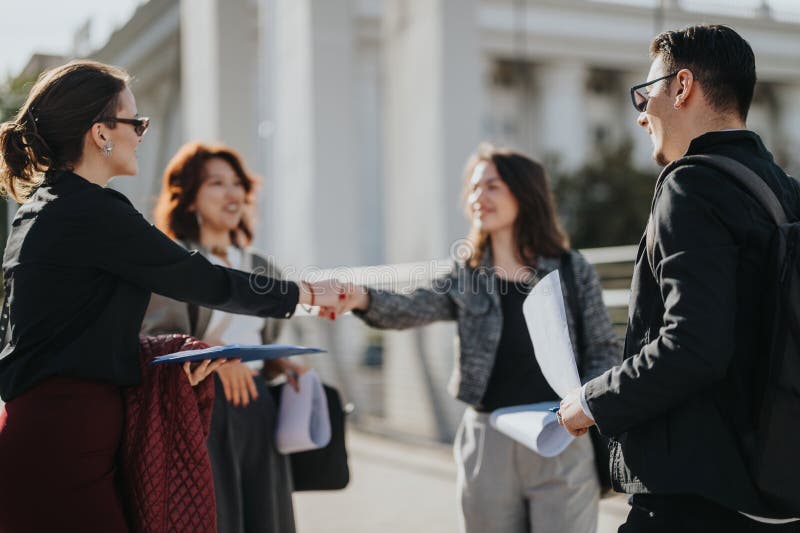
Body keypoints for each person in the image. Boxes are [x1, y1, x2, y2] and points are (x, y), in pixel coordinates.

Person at [0, 60, 346, 532]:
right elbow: (199, 278)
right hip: (68, 436)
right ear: (101, 133)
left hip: (47, 427)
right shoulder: (92, 213)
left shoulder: (40, 209)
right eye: (135, 122)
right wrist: (304, 292)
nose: (142, 133)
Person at [557, 24, 800, 532]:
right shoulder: (785, 191)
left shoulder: (690, 185)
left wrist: (591, 402)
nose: (642, 114)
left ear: (682, 86)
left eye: (645, 95)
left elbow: (693, 344)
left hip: (694, 493)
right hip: (773, 483)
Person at [329, 144, 622, 533]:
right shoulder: (466, 273)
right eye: (473, 188)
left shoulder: (571, 268)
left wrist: (586, 407)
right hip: (489, 438)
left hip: (562, 434)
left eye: (492, 187)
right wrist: (361, 296)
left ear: (524, 192)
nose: (477, 197)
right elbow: (413, 306)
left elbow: (603, 347)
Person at [141, 141, 301, 533]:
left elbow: (264, 336)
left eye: (237, 184)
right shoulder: (176, 264)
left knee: (267, 514)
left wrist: (282, 364)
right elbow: (156, 339)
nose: (232, 194)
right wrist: (215, 357)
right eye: (217, 183)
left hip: (259, 405)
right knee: (217, 516)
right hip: (204, 408)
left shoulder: (261, 266)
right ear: (190, 197)